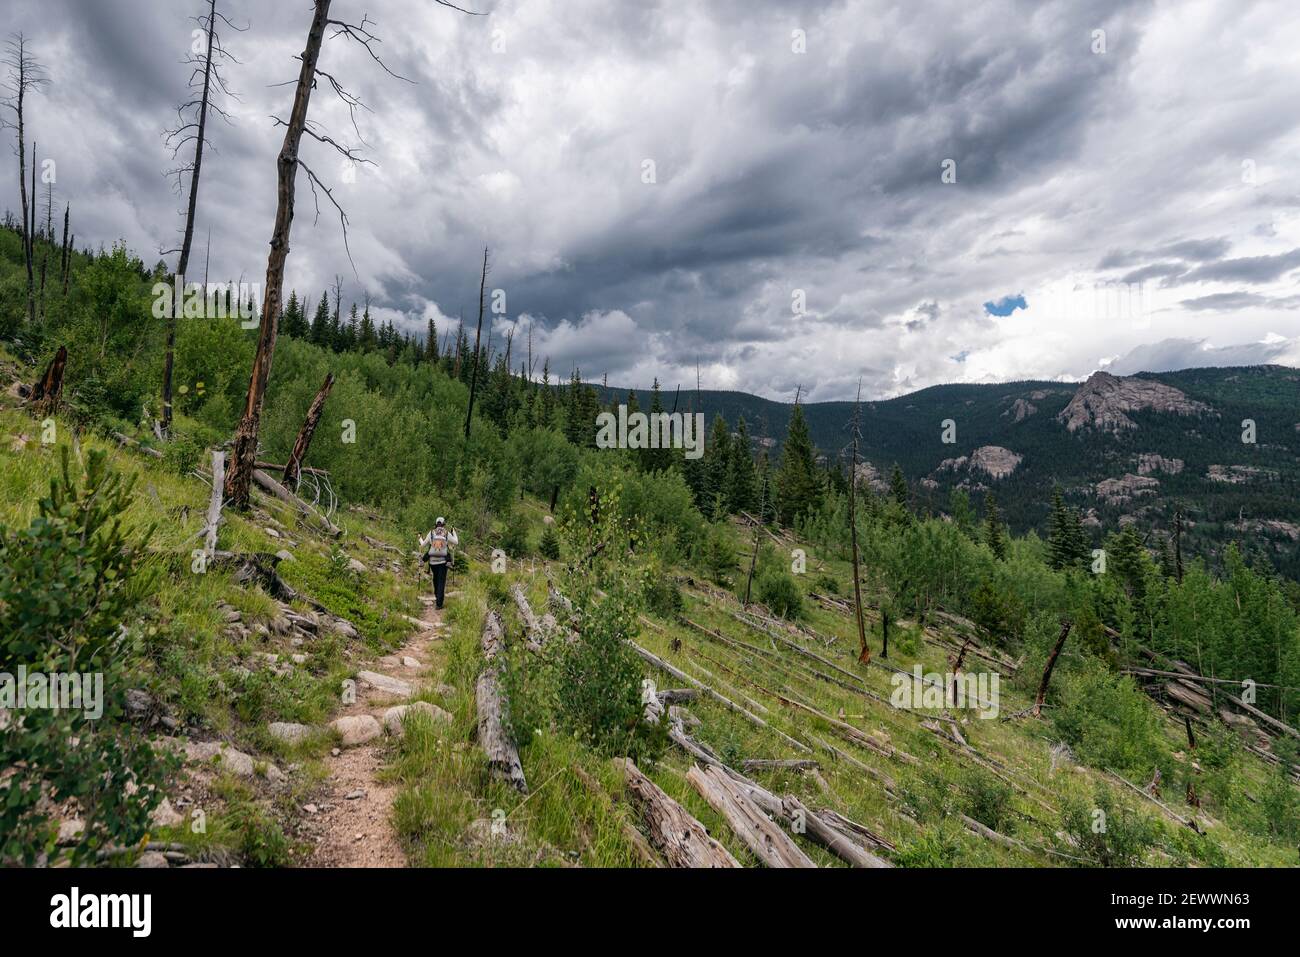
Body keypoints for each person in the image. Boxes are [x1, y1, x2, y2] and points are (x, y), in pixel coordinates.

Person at [419, 518, 459, 610]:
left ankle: (437, 596)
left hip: (432, 562)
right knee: (441, 581)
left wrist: (420, 538)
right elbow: (456, 542)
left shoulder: (431, 533)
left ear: (436, 524)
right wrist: (454, 532)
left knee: (435, 579)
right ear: (444, 524)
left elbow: (423, 544)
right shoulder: (446, 533)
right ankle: (439, 603)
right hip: (443, 562)